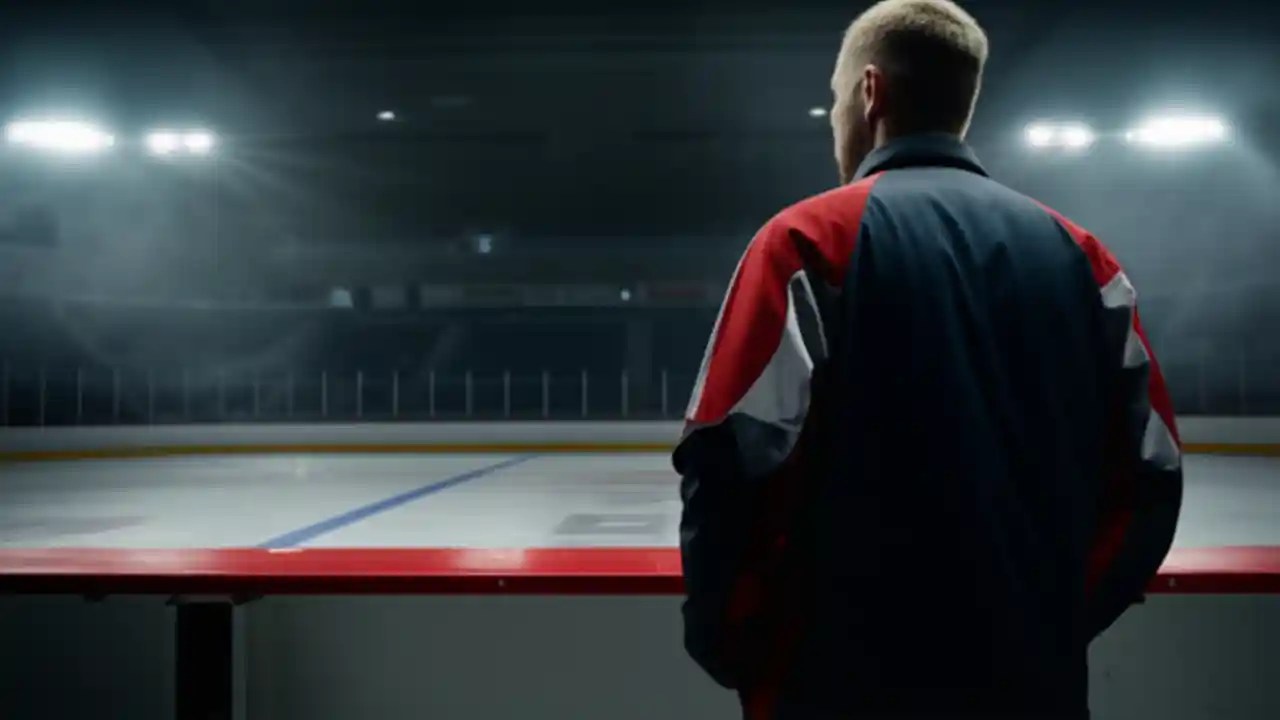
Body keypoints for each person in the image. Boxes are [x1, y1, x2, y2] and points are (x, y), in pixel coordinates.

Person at [674, 0, 1184, 717]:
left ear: (870, 92)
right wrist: (1055, 620)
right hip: (1031, 687)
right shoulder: (1083, 259)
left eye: (835, 102)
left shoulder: (808, 243)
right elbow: (1151, 475)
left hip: (836, 688)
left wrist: (745, 653)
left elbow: (727, 460)